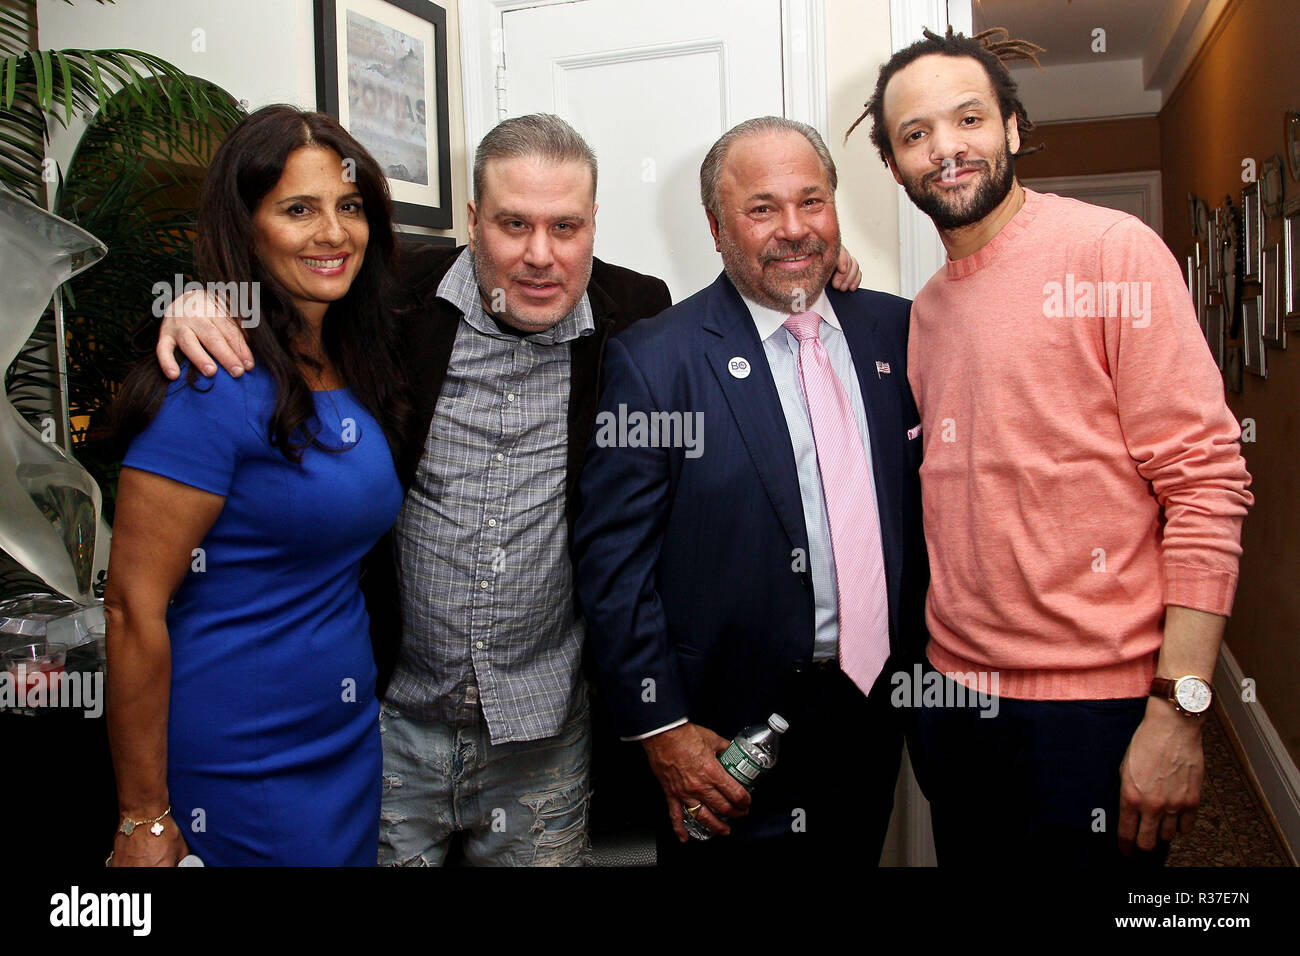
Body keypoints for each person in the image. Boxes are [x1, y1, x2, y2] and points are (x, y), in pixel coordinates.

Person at [156, 113, 865, 866]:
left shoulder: (638, 312)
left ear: (595, 225)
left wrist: (812, 267)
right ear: (470, 221)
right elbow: (278, 294)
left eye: (566, 226)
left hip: (546, 733)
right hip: (384, 717)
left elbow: (734, 322)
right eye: (512, 224)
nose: (540, 256)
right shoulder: (390, 293)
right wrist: (202, 300)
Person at [852, 27, 1254, 865]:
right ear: (892, 165)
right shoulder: (923, 313)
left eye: (968, 120)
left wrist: (1180, 710)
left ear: (1011, 127)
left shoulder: (1109, 252)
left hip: (1096, 709)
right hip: (956, 700)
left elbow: (1207, 484)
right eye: (916, 134)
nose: (946, 149)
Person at [573, 116, 929, 866]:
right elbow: (614, 564)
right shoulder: (656, 362)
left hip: (874, 713)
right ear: (715, 226)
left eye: (813, 202)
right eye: (762, 208)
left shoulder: (896, 332)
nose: (794, 229)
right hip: (725, 737)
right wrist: (662, 726)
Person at [105, 105, 417, 866]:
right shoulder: (210, 382)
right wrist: (142, 817)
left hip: (342, 738)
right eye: (297, 210)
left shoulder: (351, 353)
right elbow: (130, 607)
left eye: (349, 207)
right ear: (246, 227)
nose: (333, 233)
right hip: (241, 755)